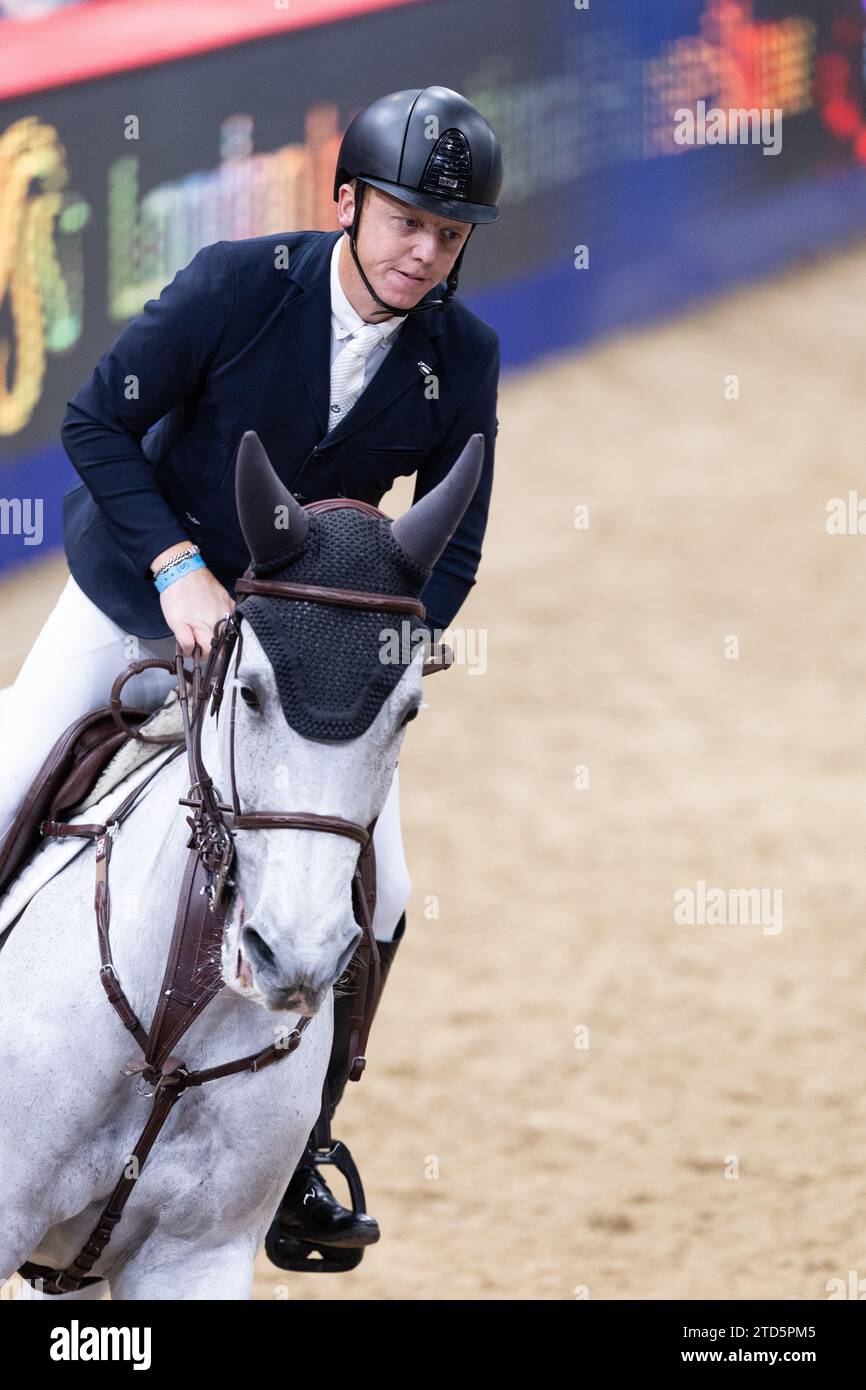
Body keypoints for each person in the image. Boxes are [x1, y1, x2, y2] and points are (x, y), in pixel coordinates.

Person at [0, 84, 502, 1258]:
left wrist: (368, 660)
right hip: (140, 598)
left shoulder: (459, 354)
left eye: (447, 234)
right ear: (345, 204)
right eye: (402, 222)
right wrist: (177, 568)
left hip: (297, 655)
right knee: (9, 776)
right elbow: (93, 426)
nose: (422, 252)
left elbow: (456, 546)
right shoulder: (237, 284)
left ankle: (297, 1155)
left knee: (384, 895)